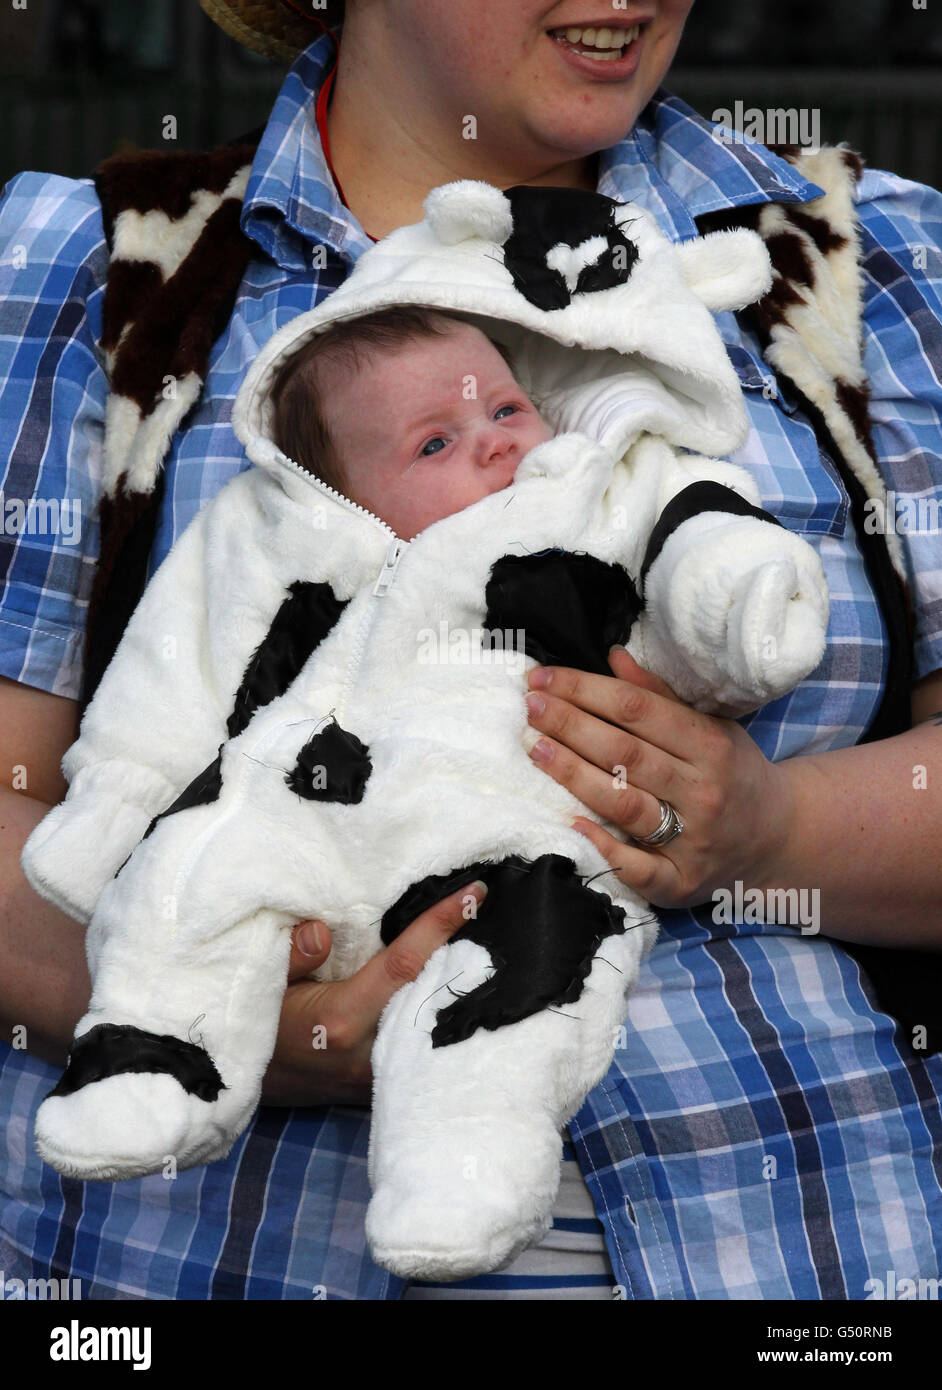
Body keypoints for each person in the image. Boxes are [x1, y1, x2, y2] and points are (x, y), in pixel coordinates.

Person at [0, 0, 940, 1301]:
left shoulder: (873, 266)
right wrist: (249, 1019)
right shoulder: (94, 274)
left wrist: (773, 830)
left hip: (807, 1262)